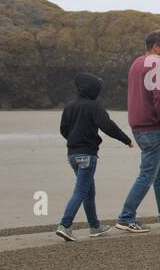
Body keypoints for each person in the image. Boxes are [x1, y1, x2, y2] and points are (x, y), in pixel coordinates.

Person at [115, 29, 160, 232]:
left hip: (137, 124)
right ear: (156, 47)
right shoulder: (156, 63)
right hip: (151, 127)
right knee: (147, 174)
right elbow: (159, 96)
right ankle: (126, 217)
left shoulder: (137, 63)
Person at [55, 72, 134, 241]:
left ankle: (95, 227)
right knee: (81, 191)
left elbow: (63, 129)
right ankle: (65, 225)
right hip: (88, 155)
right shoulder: (94, 106)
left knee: (88, 191)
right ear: (92, 90)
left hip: (72, 155)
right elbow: (108, 126)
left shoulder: (70, 105)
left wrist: (74, 140)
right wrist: (126, 140)